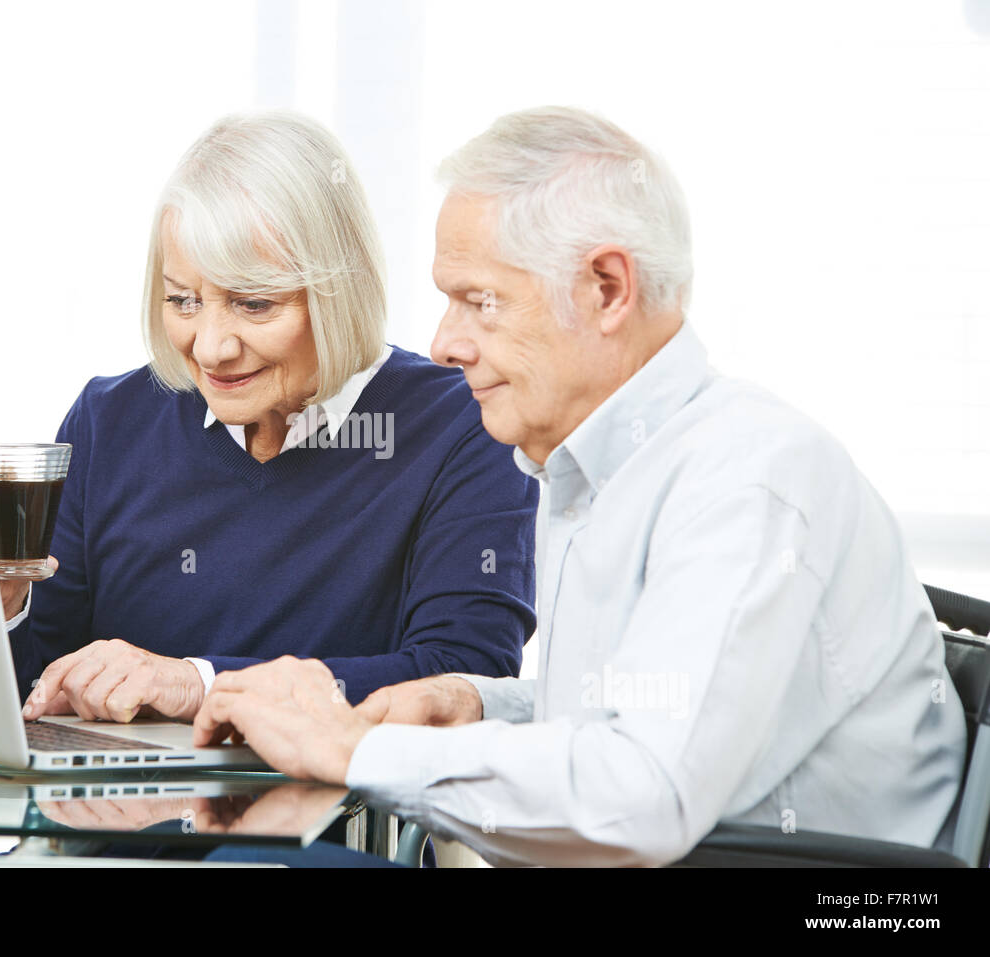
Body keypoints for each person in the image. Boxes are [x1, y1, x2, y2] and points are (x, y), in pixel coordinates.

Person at [191, 106, 967, 867]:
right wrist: (475, 702)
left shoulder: (749, 477)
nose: (443, 342)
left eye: (478, 299)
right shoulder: (602, 468)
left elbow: (642, 795)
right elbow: (634, 721)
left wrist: (360, 749)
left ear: (606, 288)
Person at [8, 110, 538, 726]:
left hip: (327, 820)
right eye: (183, 299)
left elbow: (463, 679)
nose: (210, 348)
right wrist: (4, 612)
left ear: (341, 291)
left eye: (253, 303)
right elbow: (39, 695)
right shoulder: (109, 421)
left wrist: (202, 685)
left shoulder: (461, 425)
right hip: (104, 817)